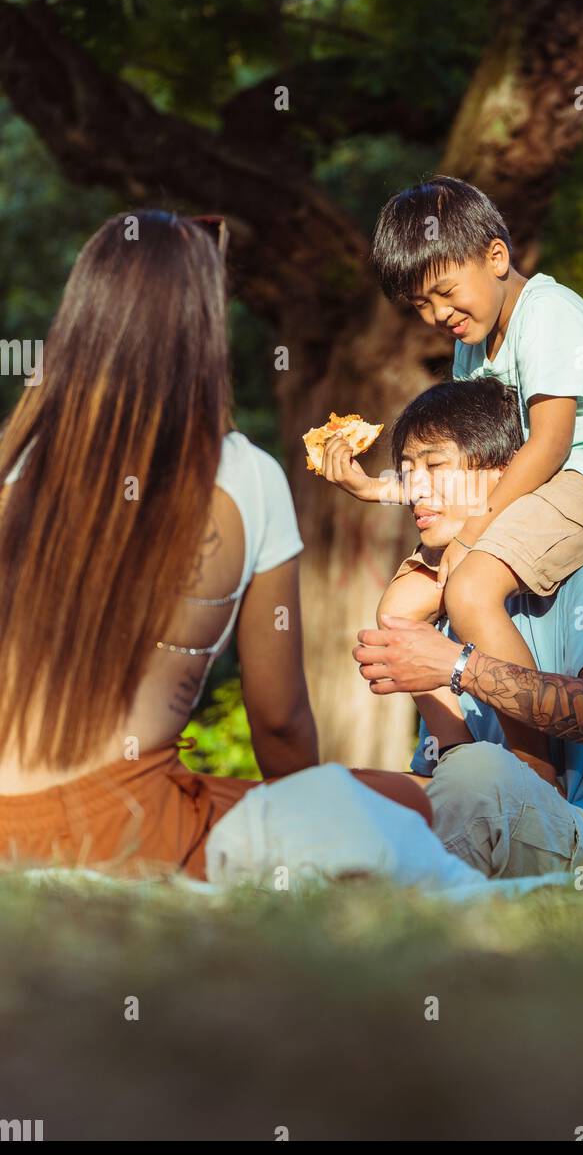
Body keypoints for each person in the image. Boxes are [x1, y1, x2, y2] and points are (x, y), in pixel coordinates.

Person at [0, 210, 430, 880]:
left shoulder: (13, 464)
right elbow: (280, 720)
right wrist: (317, 822)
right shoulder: (241, 474)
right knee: (413, 803)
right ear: (204, 327)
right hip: (128, 824)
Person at [322, 174, 583, 781]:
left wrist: (474, 534)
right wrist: (374, 488)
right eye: (422, 304)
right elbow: (476, 456)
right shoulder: (472, 346)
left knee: (471, 587)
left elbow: (551, 442)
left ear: (496, 256)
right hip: (532, 482)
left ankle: (534, 773)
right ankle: (457, 762)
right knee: (400, 608)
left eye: (446, 293)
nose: (438, 314)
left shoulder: (546, 313)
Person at [352, 378, 583, 884]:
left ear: (506, 476)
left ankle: (400, 920)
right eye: (407, 473)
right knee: (345, 792)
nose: (416, 490)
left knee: (480, 773)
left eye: (435, 467)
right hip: (500, 822)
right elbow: (450, 781)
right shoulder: (445, 604)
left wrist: (457, 667)